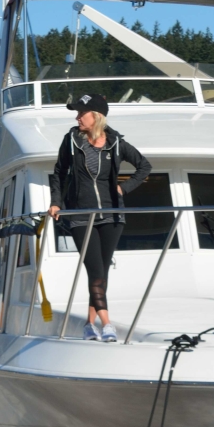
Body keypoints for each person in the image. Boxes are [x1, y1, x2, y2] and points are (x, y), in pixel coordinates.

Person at [47, 91, 152, 341]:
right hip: (81, 214)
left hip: (112, 215)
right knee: (94, 268)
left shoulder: (116, 143)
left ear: (97, 116)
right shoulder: (71, 141)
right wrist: (55, 202)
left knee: (101, 271)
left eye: (82, 113)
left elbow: (144, 166)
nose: (77, 118)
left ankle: (88, 325)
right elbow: (59, 173)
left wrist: (123, 188)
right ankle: (107, 324)